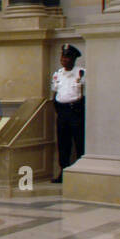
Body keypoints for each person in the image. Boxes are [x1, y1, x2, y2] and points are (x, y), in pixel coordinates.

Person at [51, 44, 85, 183]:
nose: (64, 60)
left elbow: (84, 92)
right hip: (62, 111)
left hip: (76, 110)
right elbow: (55, 92)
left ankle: (80, 171)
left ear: (73, 59)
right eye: (63, 57)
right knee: (63, 143)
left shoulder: (81, 73)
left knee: (79, 142)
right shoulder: (57, 74)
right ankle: (63, 171)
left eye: (67, 57)